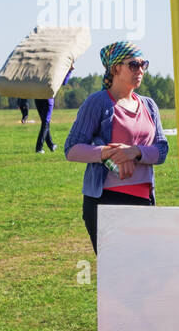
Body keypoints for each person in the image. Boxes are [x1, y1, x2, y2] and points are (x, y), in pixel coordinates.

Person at [64, 43, 168, 253]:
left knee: (143, 270)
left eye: (143, 65)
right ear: (115, 68)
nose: (140, 70)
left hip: (143, 201)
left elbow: (162, 150)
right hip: (105, 202)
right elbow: (72, 148)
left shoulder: (149, 105)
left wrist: (135, 152)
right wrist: (107, 153)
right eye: (133, 65)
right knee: (116, 276)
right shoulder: (98, 103)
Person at [34, 65, 72, 153]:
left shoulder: (38, 70)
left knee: (45, 123)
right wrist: (69, 71)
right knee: (45, 123)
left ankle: (51, 145)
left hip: (37, 98)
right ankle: (39, 148)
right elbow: (63, 82)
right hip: (48, 98)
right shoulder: (52, 71)